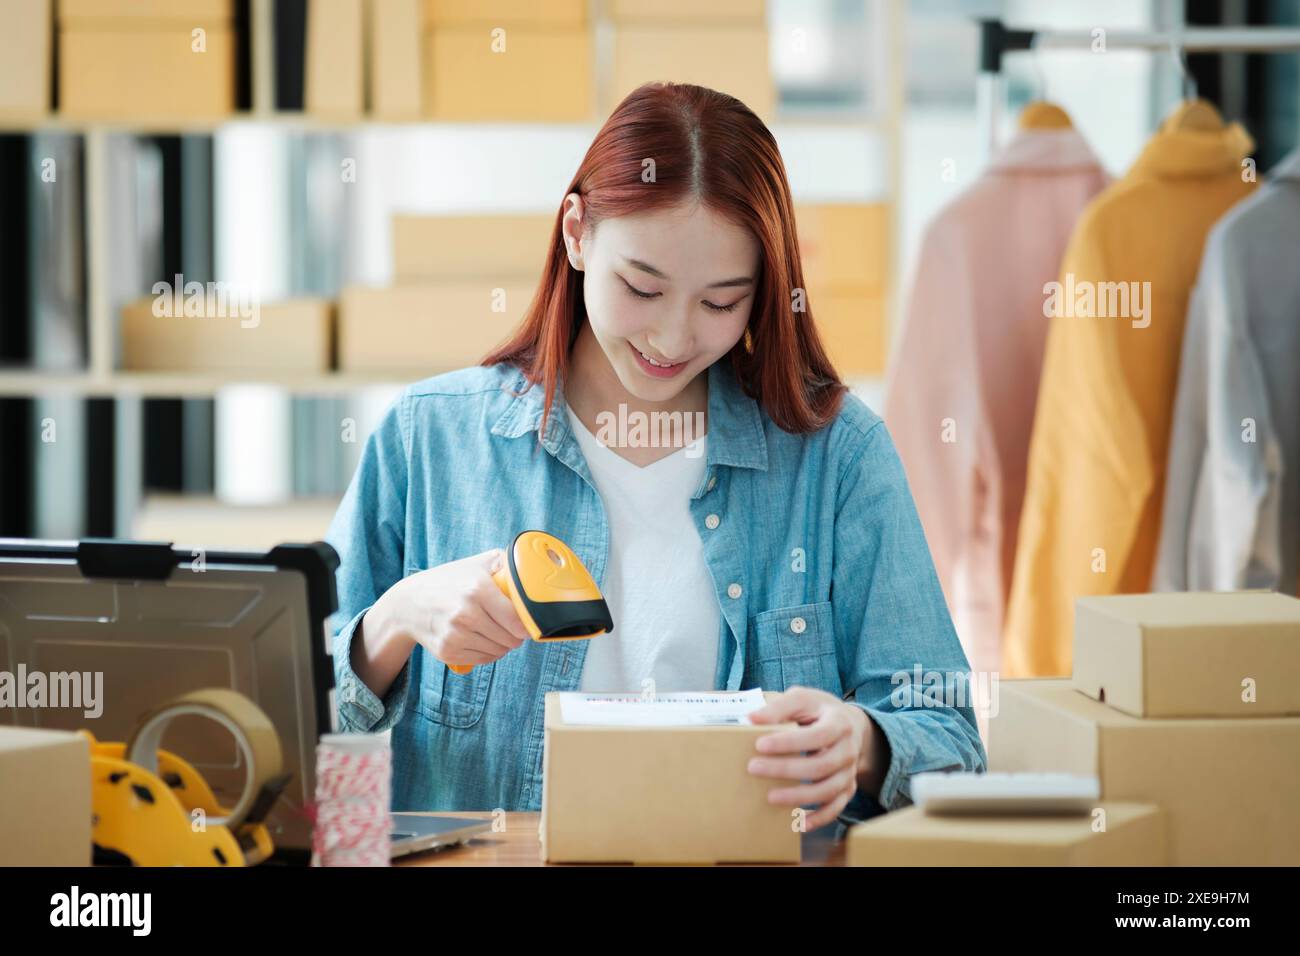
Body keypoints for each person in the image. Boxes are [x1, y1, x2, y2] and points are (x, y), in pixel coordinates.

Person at [327, 82, 986, 831]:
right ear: (576, 234)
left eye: (720, 302)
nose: (673, 340)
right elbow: (268, 733)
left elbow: (950, 736)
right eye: (643, 288)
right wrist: (394, 620)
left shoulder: (838, 458)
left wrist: (863, 742)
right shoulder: (430, 438)